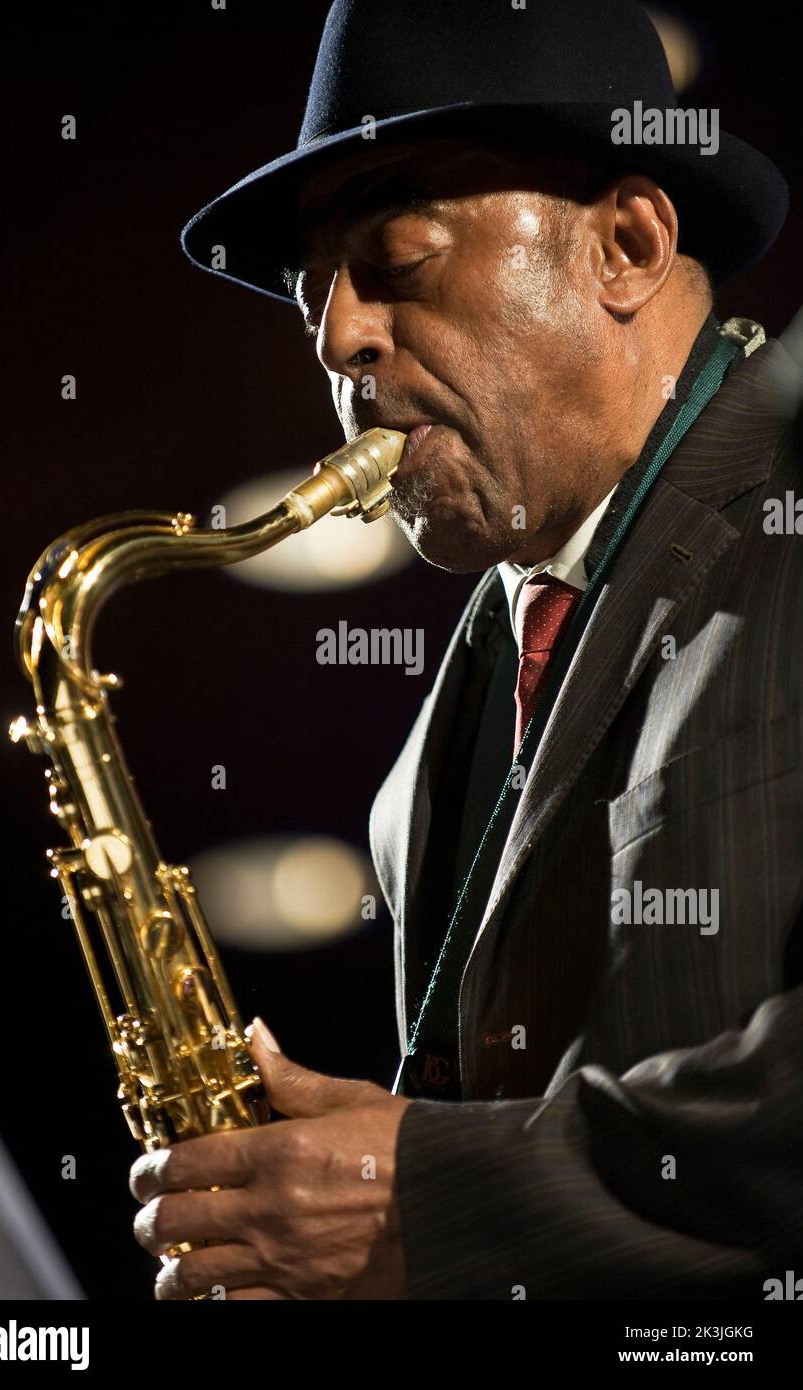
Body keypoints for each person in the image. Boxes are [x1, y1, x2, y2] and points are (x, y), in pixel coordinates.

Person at [130, 0, 803, 1300]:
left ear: (626, 243)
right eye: (307, 288)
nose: (336, 338)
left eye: (394, 255)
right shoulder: (474, 682)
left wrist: (421, 1198)